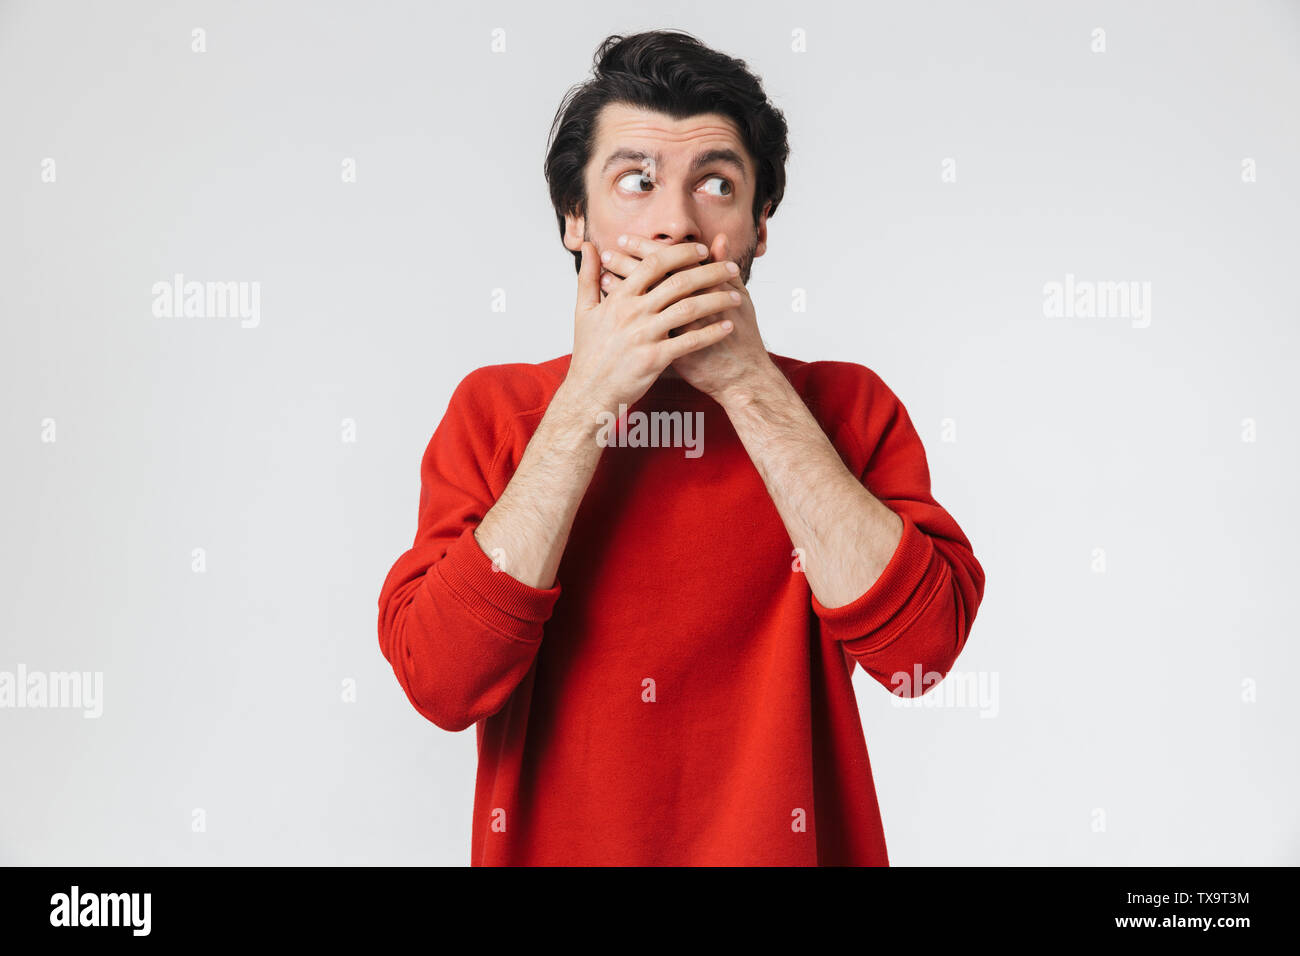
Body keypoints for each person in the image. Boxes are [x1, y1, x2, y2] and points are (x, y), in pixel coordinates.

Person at [377, 29, 985, 865]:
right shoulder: (499, 413)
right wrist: (590, 399)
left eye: (716, 184)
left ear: (760, 225)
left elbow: (920, 656)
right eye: (637, 181)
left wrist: (749, 388)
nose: (675, 224)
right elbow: (442, 683)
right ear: (573, 220)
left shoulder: (844, 409)